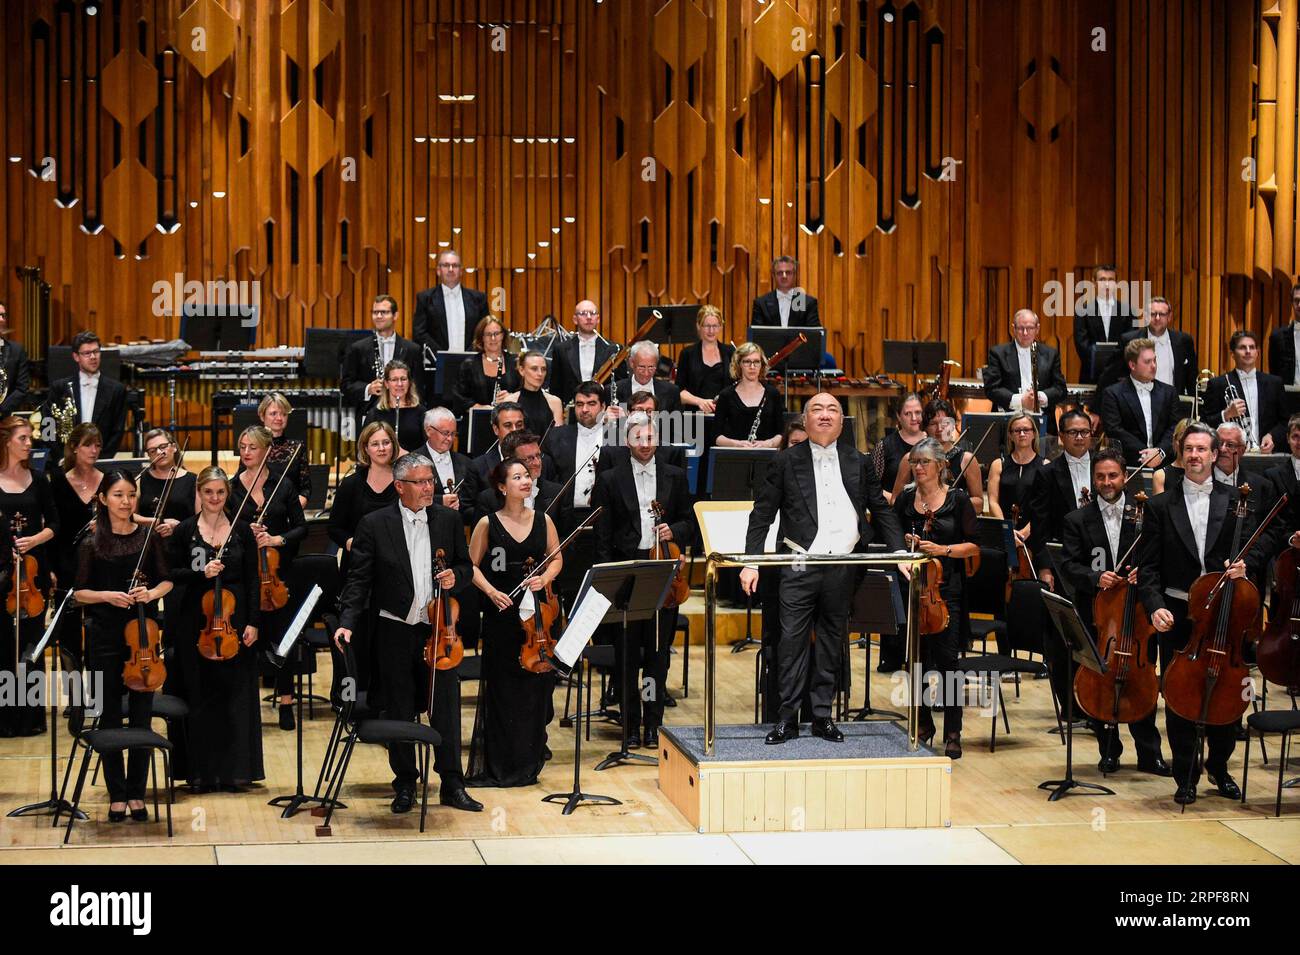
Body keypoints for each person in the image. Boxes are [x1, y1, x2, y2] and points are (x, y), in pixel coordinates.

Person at [741, 393, 904, 745]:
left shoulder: (858, 461)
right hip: (799, 565)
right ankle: (786, 718)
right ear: (805, 420)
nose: (826, 415)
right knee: (791, 643)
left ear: (842, 422)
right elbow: (762, 514)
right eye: (817, 409)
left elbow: (881, 509)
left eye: (833, 410)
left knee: (832, 642)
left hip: (843, 566)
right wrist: (751, 561)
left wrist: (901, 553)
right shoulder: (785, 461)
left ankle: (821, 717)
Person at [334, 453, 482, 814]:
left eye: (431, 480)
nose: (429, 488)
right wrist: (347, 621)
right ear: (399, 486)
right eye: (420, 482)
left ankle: (452, 783)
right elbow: (359, 580)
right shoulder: (374, 524)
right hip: (395, 631)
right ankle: (404, 784)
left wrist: (456, 577)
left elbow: (465, 566)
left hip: (439, 632)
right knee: (399, 711)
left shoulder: (448, 519)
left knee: (445, 710)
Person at [1137, 423, 1262, 805]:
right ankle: (1186, 774)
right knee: (1180, 697)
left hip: (1224, 613)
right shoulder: (1159, 506)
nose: (1194, 456)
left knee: (1227, 691)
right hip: (1177, 614)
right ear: (1181, 452)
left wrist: (1245, 568)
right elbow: (1148, 569)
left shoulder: (1236, 500)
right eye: (1189, 449)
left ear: (1214, 455)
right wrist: (1155, 607)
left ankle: (1220, 767)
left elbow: (1255, 550)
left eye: (1202, 450)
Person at [1059, 448, 1170, 775]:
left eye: (1113, 476)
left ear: (1125, 476)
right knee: (1100, 682)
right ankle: (1109, 751)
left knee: (1142, 680)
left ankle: (1149, 754)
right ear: (1093, 479)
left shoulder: (1146, 514)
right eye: (1100, 477)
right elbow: (1067, 565)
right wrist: (1095, 577)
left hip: (1138, 617)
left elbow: (1160, 557)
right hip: (1099, 617)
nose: (1107, 482)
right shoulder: (1076, 519)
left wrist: (1143, 571)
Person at [72, 470, 173, 821]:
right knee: (110, 716)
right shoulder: (91, 542)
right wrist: (106, 596)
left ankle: (136, 792)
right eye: (118, 494)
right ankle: (117, 793)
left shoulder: (148, 538)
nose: (126, 501)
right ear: (103, 499)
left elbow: (167, 581)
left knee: (143, 717)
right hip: (104, 638)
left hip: (144, 640)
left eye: (131, 494)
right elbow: (78, 592)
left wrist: (151, 593)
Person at [592, 412, 693, 748]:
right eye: (639, 439)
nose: (646, 445)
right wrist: (610, 579)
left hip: (662, 574)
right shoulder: (609, 479)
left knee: (656, 655)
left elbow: (688, 521)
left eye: (650, 438)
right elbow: (602, 536)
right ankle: (630, 725)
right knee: (626, 656)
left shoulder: (675, 475)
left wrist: (673, 530)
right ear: (627, 441)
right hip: (628, 571)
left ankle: (653, 724)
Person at [466, 458, 562, 786]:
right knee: (503, 689)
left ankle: (528, 763)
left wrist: (544, 578)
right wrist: (492, 592)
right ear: (502, 487)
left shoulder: (544, 520)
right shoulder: (487, 523)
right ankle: (500, 765)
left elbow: (557, 558)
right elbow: (472, 566)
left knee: (534, 690)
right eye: (517, 477)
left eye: (527, 475)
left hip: (536, 615)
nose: (525, 480)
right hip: (501, 615)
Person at [166, 467, 262, 791]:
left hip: (235, 623)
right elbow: (171, 574)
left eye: (221, 493)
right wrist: (201, 573)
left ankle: (234, 771)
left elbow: (252, 579)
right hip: (197, 621)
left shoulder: (242, 531)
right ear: (199, 492)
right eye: (209, 492)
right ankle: (199, 772)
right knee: (200, 696)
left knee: (234, 697)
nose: (215, 499)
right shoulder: (185, 531)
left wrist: (253, 622)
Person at [893, 437, 980, 758]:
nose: (917, 468)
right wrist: (905, 543)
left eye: (924, 462)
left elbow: (973, 546)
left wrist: (942, 549)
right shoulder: (905, 501)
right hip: (912, 590)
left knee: (948, 665)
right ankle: (924, 722)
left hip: (947, 593)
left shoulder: (957, 501)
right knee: (913, 661)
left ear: (941, 466)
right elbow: (891, 536)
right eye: (914, 463)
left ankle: (953, 731)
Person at [228, 426, 306, 729]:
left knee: (283, 640)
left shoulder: (282, 486)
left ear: (266, 450)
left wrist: (276, 540)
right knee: (249, 640)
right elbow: (227, 533)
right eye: (242, 446)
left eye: (252, 447)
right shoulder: (233, 489)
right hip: (247, 575)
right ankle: (247, 705)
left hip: (279, 577)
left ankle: (286, 701)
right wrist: (246, 534)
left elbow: (301, 529)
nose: (246, 452)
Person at [326, 421, 398, 696]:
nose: (381, 448)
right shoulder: (352, 485)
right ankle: (357, 702)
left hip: (392, 573)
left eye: (386, 442)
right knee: (360, 638)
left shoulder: (403, 482)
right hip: (358, 571)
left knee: (387, 641)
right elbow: (334, 527)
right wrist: (350, 541)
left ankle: (383, 703)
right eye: (375, 443)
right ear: (365, 448)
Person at [0, 416, 57, 737]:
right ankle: (5, 719)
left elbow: (55, 525)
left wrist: (34, 540)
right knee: (4, 648)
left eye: (29, 437)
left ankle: (31, 718)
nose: (29, 443)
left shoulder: (39, 479)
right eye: (23, 438)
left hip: (32, 576)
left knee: (31, 648)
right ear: (7, 440)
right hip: (3, 575)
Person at [413, 249, 489, 400]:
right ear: (438, 270)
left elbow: (484, 331)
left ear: (461, 271)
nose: (450, 269)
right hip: (438, 368)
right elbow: (419, 332)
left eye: (455, 265)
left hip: (472, 366)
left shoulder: (478, 298)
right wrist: (444, 357)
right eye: (446, 265)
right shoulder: (425, 298)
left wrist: (469, 354)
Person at [983, 309, 1067, 435]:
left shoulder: (1051, 354)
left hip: (1043, 426)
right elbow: (991, 389)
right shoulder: (998, 353)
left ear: (1037, 328)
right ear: (1013, 328)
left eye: (1030, 328)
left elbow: (1060, 389)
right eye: (1021, 328)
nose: (1025, 332)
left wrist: (1040, 398)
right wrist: (1021, 400)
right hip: (1008, 424)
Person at [1202, 329, 1288, 452]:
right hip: (1231, 455)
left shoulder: (1274, 383)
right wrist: (1226, 414)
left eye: (1252, 347)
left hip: (1268, 455)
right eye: (1242, 347)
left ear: (1257, 352)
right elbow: (1205, 424)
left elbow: (1285, 421)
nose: (1248, 351)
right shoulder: (1218, 384)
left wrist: (1272, 436)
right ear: (1232, 354)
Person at [891, 399, 983, 511]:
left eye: (945, 423)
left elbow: (979, 504)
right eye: (933, 424)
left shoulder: (967, 460)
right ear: (925, 427)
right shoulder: (909, 459)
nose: (940, 429)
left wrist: (948, 500)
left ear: (953, 425)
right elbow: (895, 500)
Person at [47, 331, 127, 458]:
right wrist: (61, 457)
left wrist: (101, 460)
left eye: (96, 351)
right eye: (87, 353)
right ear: (76, 357)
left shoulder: (117, 390)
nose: (93, 357)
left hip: (100, 462)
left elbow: (117, 431)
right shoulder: (59, 388)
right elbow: (48, 426)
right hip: (65, 462)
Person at [1100, 338, 1178, 466]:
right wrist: (1146, 455)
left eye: (1154, 360)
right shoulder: (1113, 393)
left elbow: (1175, 427)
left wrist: (1160, 452)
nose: (1153, 366)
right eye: (1147, 362)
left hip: (1164, 463)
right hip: (1129, 463)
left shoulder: (1169, 392)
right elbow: (1114, 430)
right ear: (1132, 365)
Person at [341, 294, 422, 418]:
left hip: (403, 414)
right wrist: (368, 388)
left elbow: (419, 386)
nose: (378, 316)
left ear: (395, 316)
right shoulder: (358, 348)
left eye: (383, 312)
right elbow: (346, 385)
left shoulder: (412, 349)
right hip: (369, 413)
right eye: (375, 312)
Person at [1100, 296, 1198, 395]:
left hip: (1173, 404)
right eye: (1153, 314)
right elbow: (1109, 375)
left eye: (1162, 314)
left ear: (1169, 317)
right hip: (1137, 404)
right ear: (1146, 316)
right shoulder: (1129, 340)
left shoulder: (1184, 341)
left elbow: (1191, 378)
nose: (1157, 318)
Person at [714, 342, 785, 448]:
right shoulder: (726, 395)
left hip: (768, 457)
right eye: (747, 362)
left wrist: (768, 443)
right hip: (736, 458)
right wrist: (736, 444)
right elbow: (716, 436)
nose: (752, 367)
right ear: (739, 364)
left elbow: (782, 433)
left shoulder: (773, 394)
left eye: (756, 362)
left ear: (762, 365)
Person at [549, 301, 620, 406]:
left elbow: (620, 386)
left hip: (604, 412)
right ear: (575, 319)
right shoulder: (561, 349)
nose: (589, 317)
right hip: (571, 413)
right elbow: (555, 388)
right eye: (583, 313)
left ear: (598, 319)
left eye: (593, 313)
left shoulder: (613, 349)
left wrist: (621, 420)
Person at [1072, 265, 1134, 383]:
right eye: (1102, 280)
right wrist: (1099, 362)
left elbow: (1131, 342)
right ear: (1094, 282)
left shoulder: (1128, 310)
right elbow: (1081, 344)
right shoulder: (1082, 310)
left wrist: (1115, 365)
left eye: (1111, 280)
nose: (1106, 284)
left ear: (1116, 283)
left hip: (1120, 375)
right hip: (1091, 374)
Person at [1043, 407, 1094, 542]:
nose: (1079, 437)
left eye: (1084, 432)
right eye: (1072, 432)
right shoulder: (1046, 473)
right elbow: (1041, 523)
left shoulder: (1106, 469)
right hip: (1063, 547)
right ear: (1061, 436)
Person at [452, 316, 520, 414]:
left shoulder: (515, 363)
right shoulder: (469, 365)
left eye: (496, 333)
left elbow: (525, 393)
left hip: (510, 420)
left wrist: (511, 398)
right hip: (477, 421)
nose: (493, 338)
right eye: (488, 334)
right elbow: (459, 399)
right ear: (482, 337)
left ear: (503, 335)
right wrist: (480, 408)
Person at [135, 429, 197, 535]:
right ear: (149, 455)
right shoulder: (141, 480)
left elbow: (201, 518)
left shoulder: (193, 480)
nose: (159, 452)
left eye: (163, 447)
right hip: (148, 542)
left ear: (173, 447)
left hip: (183, 541)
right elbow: (129, 516)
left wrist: (179, 527)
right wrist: (155, 522)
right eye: (152, 451)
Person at [256, 392, 311, 509]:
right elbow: (240, 483)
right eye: (273, 413)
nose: (279, 418)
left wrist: (294, 510)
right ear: (262, 416)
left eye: (284, 414)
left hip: (289, 512)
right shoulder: (253, 446)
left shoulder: (297, 448)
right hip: (259, 511)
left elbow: (305, 489)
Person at [676, 305, 735, 413]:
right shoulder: (687, 353)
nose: (711, 330)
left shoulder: (730, 352)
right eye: (707, 326)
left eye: (715, 326)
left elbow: (738, 386)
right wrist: (700, 402)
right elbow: (678, 392)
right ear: (699, 326)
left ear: (721, 327)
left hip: (725, 414)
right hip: (694, 415)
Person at [418, 407, 474, 519]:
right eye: (445, 433)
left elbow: (471, 499)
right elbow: (408, 498)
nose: (449, 439)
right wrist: (440, 501)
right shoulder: (413, 461)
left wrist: (460, 504)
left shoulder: (466, 463)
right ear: (429, 431)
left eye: (453, 434)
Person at [363, 360, 427, 456]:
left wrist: (409, 457)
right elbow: (365, 446)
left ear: (409, 382)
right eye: (394, 380)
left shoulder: (421, 412)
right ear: (386, 384)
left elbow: (428, 446)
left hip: (413, 466)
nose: (400, 384)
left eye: (403, 379)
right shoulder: (375, 414)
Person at [872, 393, 926, 503]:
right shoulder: (884, 446)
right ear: (898, 416)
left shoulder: (932, 443)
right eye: (907, 414)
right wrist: (897, 501)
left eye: (917, 412)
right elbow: (872, 486)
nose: (914, 418)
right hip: (891, 511)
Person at [500, 350, 564, 439]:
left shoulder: (555, 402)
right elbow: (506, 437)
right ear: (522, 370)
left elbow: (557, 439)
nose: (540, 374)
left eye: (543, 369)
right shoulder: (510, 401)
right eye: (534, 369)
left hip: (546, 452)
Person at [611, 341, 681, 412]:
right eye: (642, 367)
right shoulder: (613, 390)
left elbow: (677, 422)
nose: (646, 373)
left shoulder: (672, 391)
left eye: (651, 367)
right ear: (631, 363)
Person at [751, 256, 820, 327]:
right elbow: (757, 335)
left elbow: (814, 334)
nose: (784, 276)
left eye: (788, 272)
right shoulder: (761, 304)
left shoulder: (808, 303)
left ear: (795, 275)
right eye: (780, 273)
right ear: (773, 275)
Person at [0, 301, 32, 417]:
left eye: (3, 315)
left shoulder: (17, 350)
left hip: (6, 416)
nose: (2, 319)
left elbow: (22, 387)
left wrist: (1, 409)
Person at [1267, 284, 1300, 385]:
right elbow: (1274, 374)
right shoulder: (1278, 337)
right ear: (1292, 303)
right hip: (1288, 397)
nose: (1299, 305)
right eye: (1296, 300)